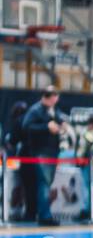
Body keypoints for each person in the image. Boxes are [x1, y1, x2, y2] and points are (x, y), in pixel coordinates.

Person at [20, 87, 66, 226]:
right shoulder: (36, 110)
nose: (55, 101)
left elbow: (57, 124)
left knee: (46, 184)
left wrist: (61, 126)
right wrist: (46, 127)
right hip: (41, 152)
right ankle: (45, 215)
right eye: (54, 98)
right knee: (44, 184)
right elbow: (26, 127)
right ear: (48, 97)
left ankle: (43, 213)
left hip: (52, 152)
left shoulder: (54, 110)